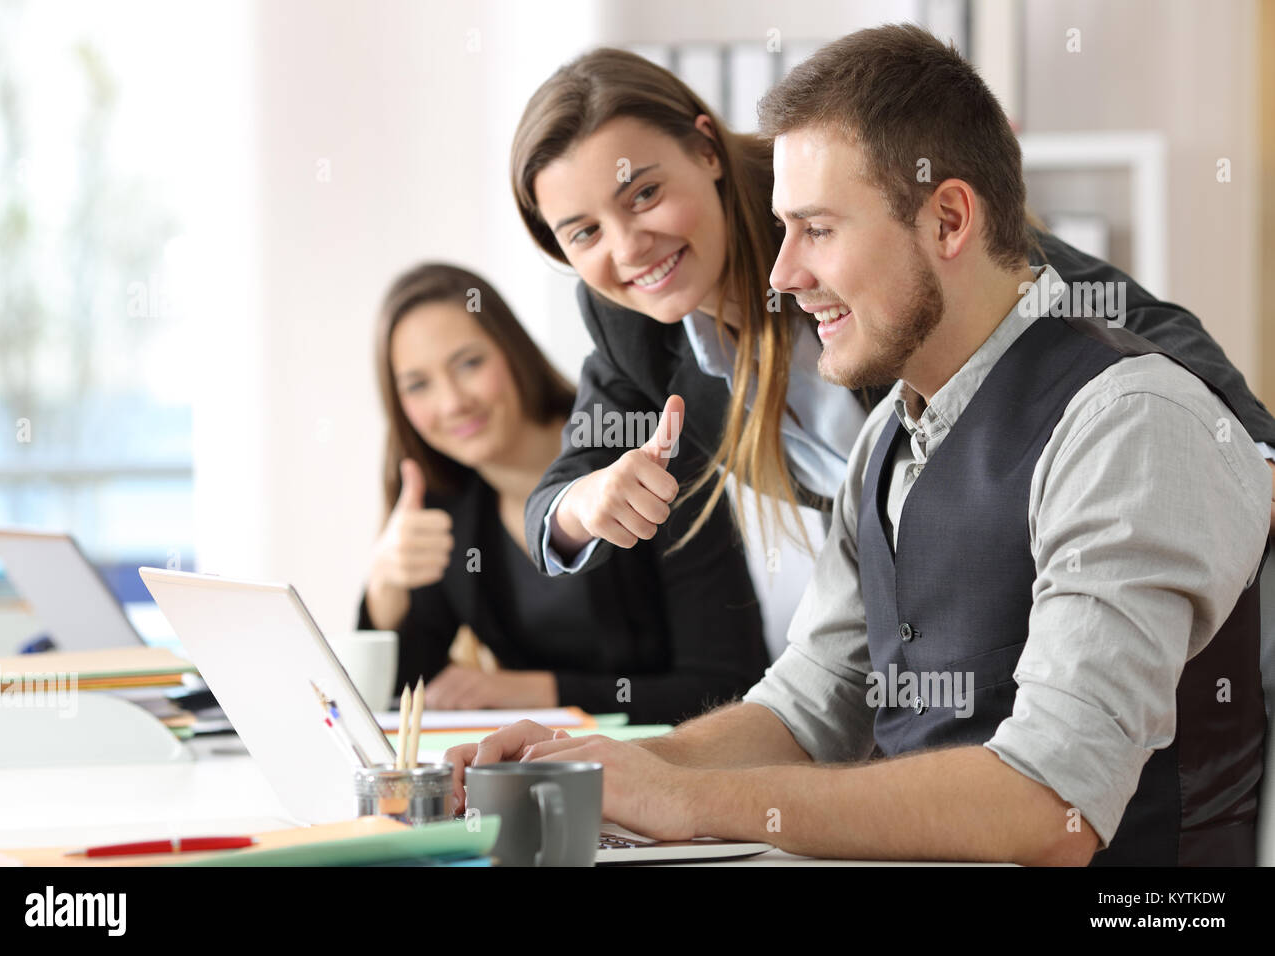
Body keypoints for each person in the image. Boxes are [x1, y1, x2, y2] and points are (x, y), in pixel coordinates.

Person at [449, 25, 1270, 866]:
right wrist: (583, 772)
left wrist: (686, 799)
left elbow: (1047, 806)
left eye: (818, 230)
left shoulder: (1125, 417)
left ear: (947, 217)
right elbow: (808, 709)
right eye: (783, 230)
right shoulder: (888, 434)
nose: (781, 275)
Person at [511, 45, 1275, 583]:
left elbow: (1094, 306)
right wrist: (583, 506)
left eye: (644, 193)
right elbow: (560, 495)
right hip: (927, 596)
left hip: (1054, 552)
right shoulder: (628, 323)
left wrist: (1248, 455)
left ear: (706, 149)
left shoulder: (823, 199)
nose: (628, 245)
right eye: (582, 232)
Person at [356, 263, 767, 725]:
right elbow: (409, 698)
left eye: (469, 363)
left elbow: (729, 686)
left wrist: (541, 692)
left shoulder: (648, 458)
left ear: (512, 352)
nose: (452, 402)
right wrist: (385, 587)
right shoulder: (446, 509)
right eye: (418, 385)